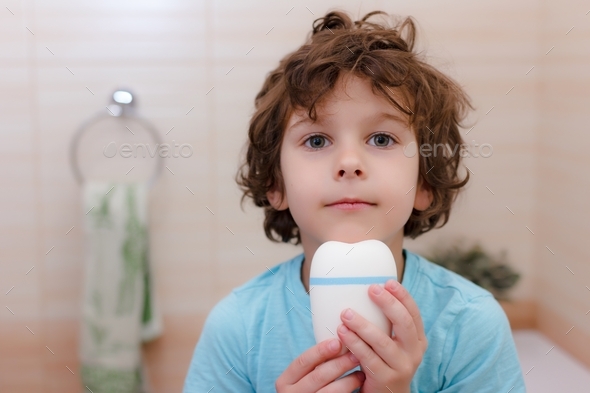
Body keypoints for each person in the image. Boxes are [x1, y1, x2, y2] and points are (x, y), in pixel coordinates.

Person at [183, 9, 526, 393]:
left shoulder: (469, 323)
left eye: (381, 139)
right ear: (275, 182)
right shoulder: (237, 328)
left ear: (425, 179)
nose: (349, 164)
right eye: (316, 140)